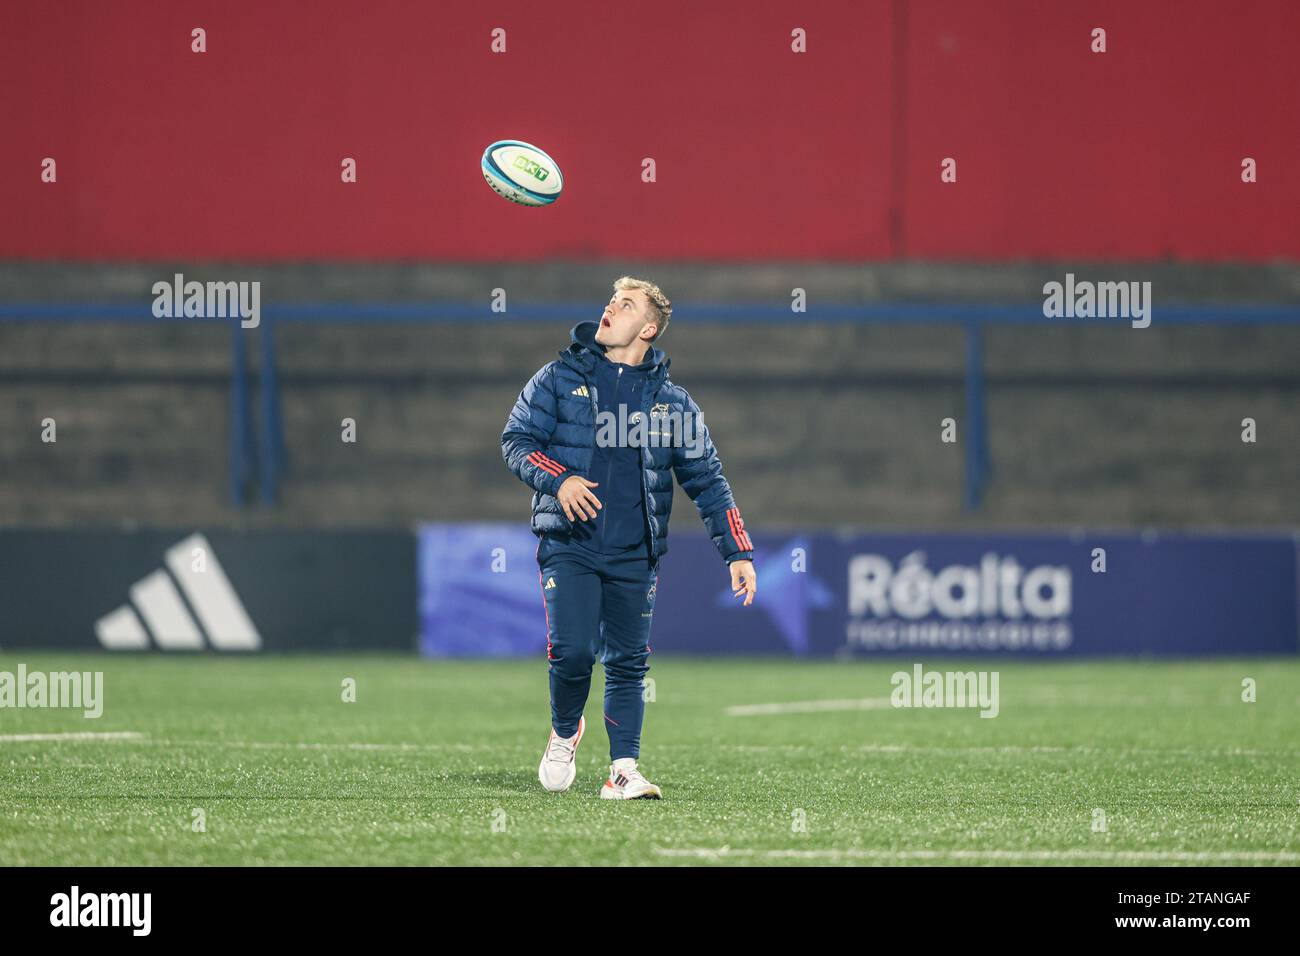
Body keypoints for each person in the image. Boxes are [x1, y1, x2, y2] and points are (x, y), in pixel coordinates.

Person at [502, 276, 757, 799]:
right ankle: (566, 730)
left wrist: (737, 551)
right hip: (569, 543)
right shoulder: (557, 377)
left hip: (633, 553)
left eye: (625, 304)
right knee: (572, 653)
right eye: (610, 300)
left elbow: (707, 478)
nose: (609, 308)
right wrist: (561, 478)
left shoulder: (673, 403)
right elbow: (517, 440)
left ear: (649, 327)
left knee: (627, 662)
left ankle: (623, 770)